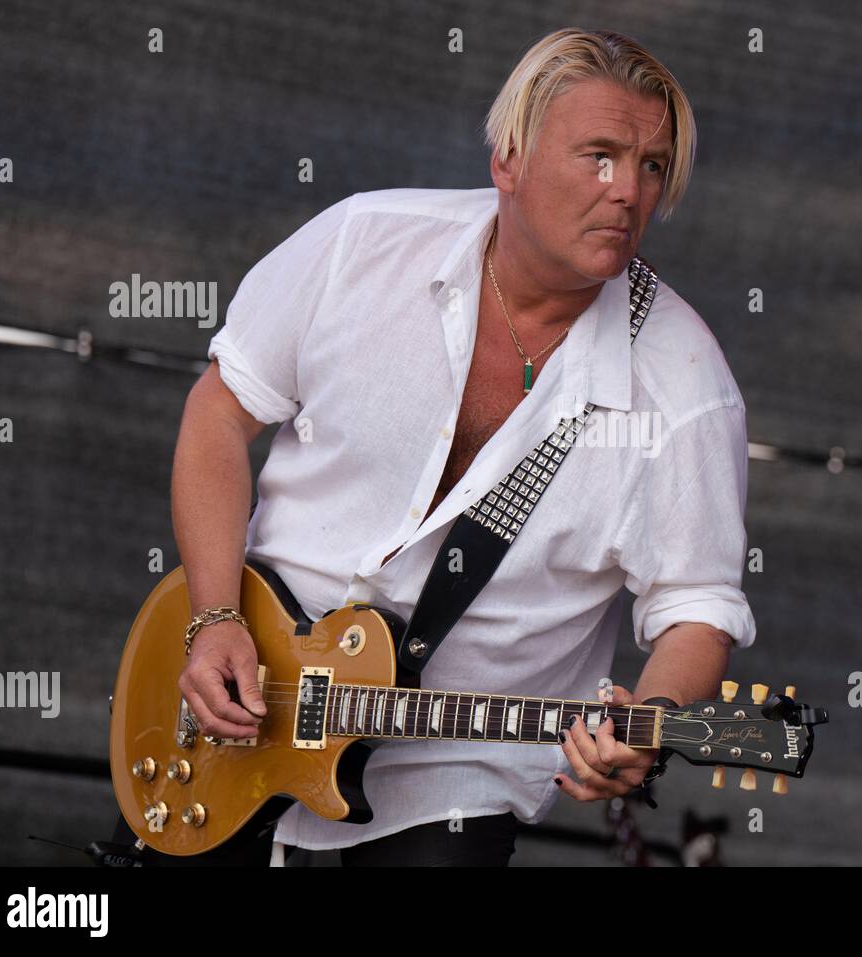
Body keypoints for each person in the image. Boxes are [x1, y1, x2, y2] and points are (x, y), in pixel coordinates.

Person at [172, 27, 755, 866]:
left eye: (652, 165)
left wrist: (644, 727)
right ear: (508, 158)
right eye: (599, 155)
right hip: (246, 692)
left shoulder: (686, 385)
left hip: (454, 766)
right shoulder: (362, 243)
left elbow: (698, 607)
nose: (628, 189)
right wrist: (215, 616)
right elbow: (219, 414)